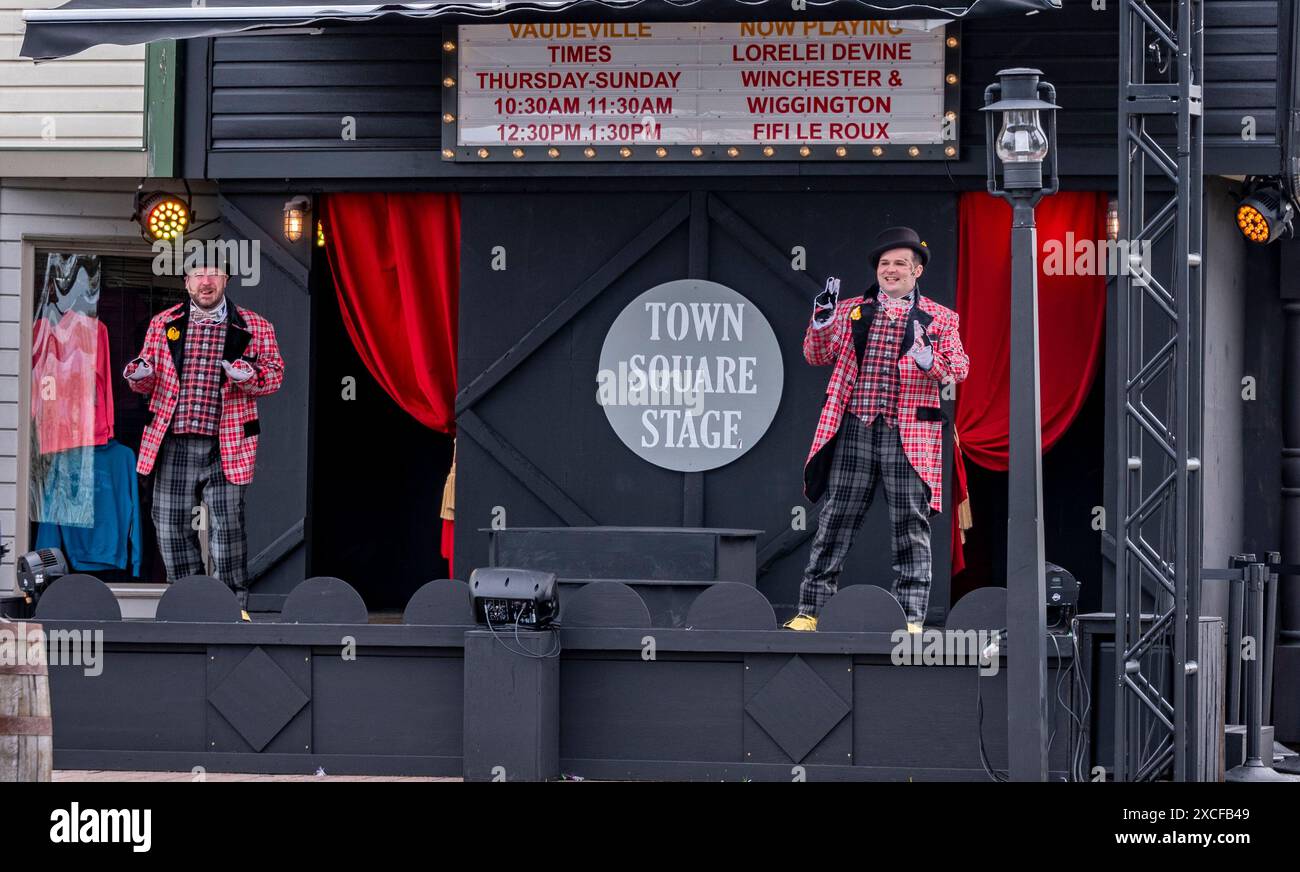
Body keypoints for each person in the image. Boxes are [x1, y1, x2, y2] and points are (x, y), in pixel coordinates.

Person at [786, 226, 970, 632]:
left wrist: (927, 357)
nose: (891, 270)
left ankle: (911, 620)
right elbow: (816, 356)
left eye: (900, 263)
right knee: (835, 520)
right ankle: (810, 612)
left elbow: (958, 370)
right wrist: (821, 320)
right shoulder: (850, 308)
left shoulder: (941, 318)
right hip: (855, 426)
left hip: (909, 434)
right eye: (885, 264)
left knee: (910, 525)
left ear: (916, 271)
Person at [123, 255, 284, 619]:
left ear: (226, 279)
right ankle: (189, 604)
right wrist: (138, 373)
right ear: (186, 282)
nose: (205, 281)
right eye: (198, 274)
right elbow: (148, 381)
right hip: (174, 441)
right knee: (167, 525)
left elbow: (275, 375)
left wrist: (251, 376)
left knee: (227, 530)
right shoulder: (164, 323)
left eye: (213, 274)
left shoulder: (254, 325)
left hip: (226, 443)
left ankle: (231, 611)